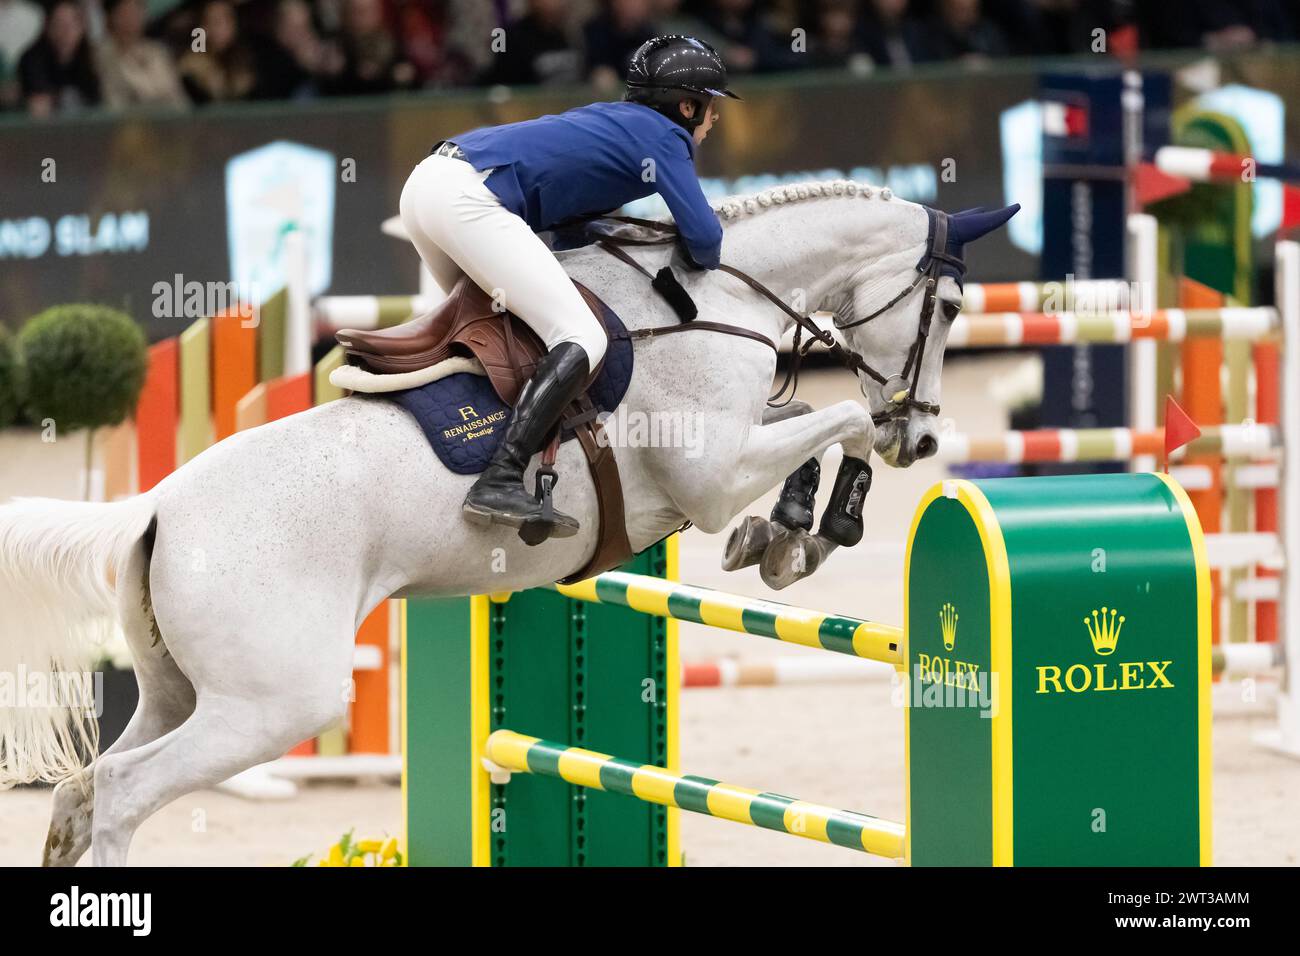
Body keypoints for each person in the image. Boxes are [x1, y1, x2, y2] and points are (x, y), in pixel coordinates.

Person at [396, 35, 736, 541]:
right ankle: (501, 477)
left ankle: (453, 448)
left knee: (497, 331)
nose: (712, 122)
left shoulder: (615, 122)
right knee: (582, 335)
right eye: (709, 110)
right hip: (466, 198)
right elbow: (707, 240)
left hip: (428, 185)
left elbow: (571, 229)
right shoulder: (666, 136)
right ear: (685, 106)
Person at [95, 0, 188, 109]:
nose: (133, 17)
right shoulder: (103, 56)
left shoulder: (157, 52)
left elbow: (179, 99)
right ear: (111, 16)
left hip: (172, 122)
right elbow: (115, 105)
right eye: (126, 12)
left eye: (137, 10)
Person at [17, 0, 100, 116]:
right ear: (48, 27)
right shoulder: (32, 60)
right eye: (59, 25)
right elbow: (39, 107)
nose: (66, 32)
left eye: (72, 25)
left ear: (82, 27)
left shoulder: (90, 57)